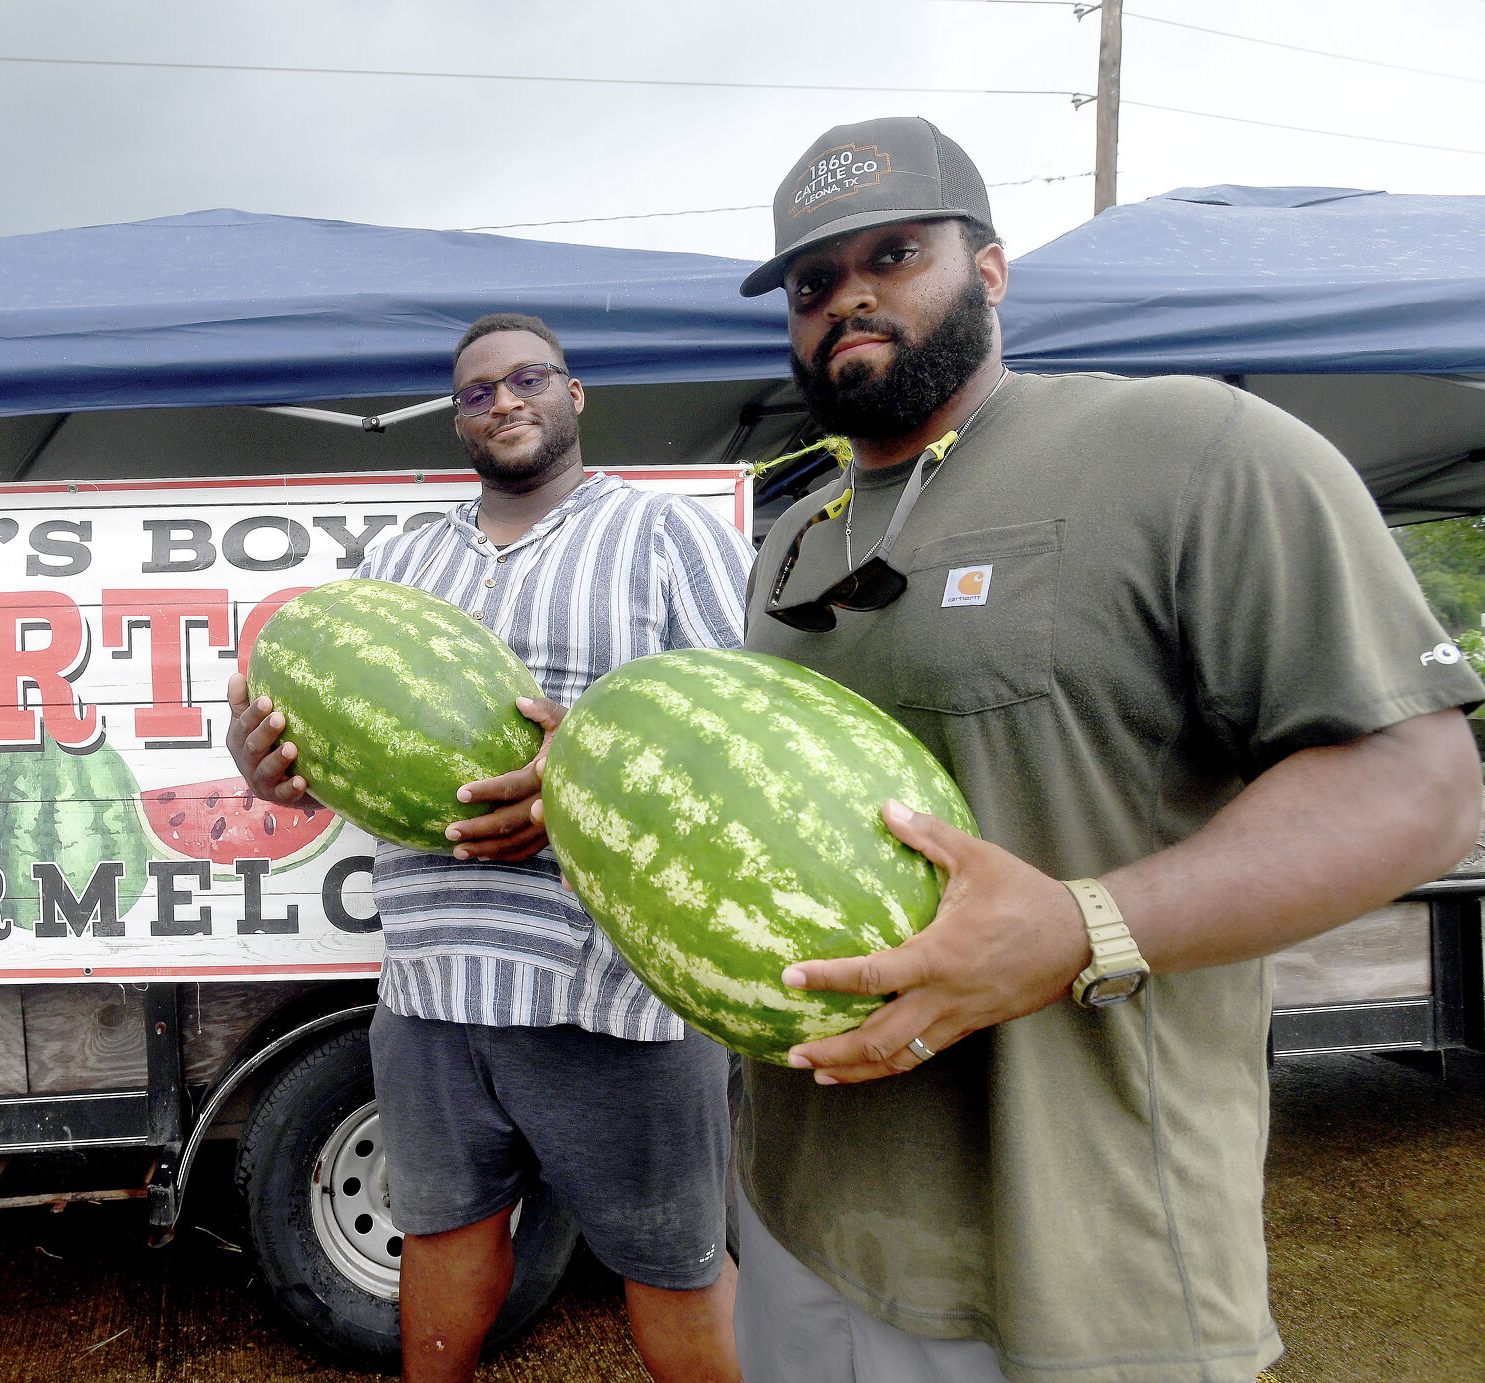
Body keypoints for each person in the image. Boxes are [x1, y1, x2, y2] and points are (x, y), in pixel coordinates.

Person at [728, 116, 1484, 1383]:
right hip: (802, 1222)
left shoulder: (1192, 450)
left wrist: (1079, 925)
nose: (846, 295)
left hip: (1077, 1254)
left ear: (991, 269)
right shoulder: (792, 538)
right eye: (810, 282)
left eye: (895, 251)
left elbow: (1418, 788)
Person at [225, 312, 754, 1383]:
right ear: (457, 420)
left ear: (573, 394)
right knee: (441, 1237)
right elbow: (340, 736)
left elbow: (738, 739)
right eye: (476, 391)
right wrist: (265, 766)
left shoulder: (668, 536)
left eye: (527, 378)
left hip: (611, 988)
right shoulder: (397, 562)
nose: (503, 401)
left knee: (674, 1266)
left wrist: (577, 785)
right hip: (430, 985)